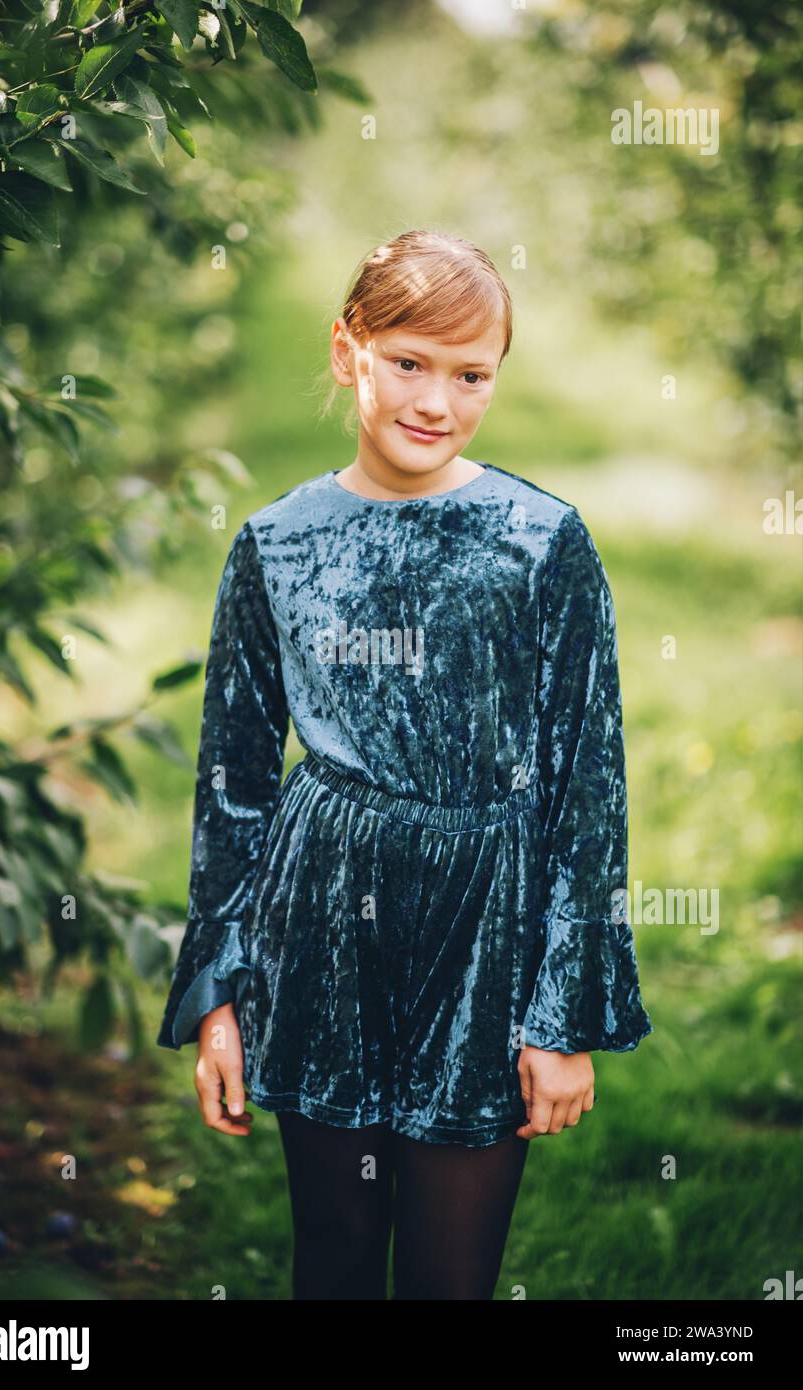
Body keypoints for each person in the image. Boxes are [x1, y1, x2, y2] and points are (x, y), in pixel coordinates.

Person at [156, 229, 653, 1300]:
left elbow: (587, 784)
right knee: (331, 1255)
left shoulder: (539, 540)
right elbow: (233, 781)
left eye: (471, 374)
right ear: (349, 353)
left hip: (484, 931)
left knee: (448, 1275)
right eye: (407, 363)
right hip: (322, 921)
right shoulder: (276, 542)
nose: (436, 400)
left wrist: (563, 1012)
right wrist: (218, 994)